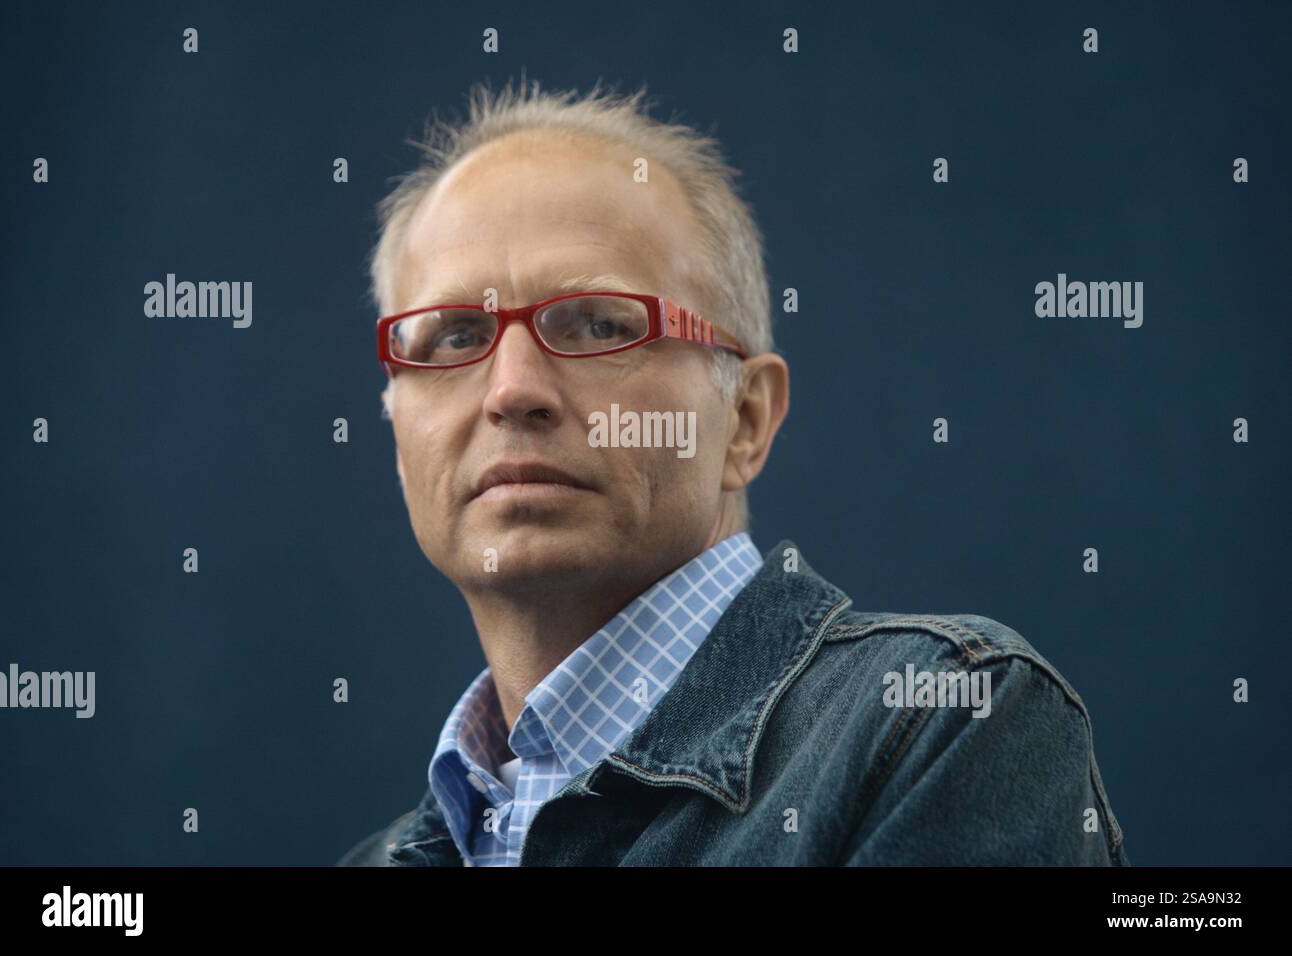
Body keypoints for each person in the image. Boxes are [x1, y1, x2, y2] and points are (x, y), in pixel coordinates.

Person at [339, 77, 1128, 866]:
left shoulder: (939, 722)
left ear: (745, 419)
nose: (512, 390)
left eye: (599, 325)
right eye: (451, 336)